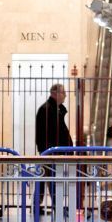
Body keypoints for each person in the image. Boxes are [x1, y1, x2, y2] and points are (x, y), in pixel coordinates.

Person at [33, 84, 74, 213]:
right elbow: (54, 133)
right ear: (55, 93)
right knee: (52, 178)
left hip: (52, 150)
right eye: (63, 93)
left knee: (46, 177)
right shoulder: (48, 110)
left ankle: (37, 205)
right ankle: (56, 206)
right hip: (50, 151)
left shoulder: (54, 109)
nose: (65, 95)